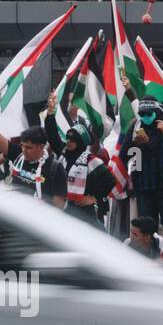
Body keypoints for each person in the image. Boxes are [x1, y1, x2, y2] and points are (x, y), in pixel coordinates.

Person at [0, 91, 65, 205]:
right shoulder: (18, 154)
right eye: (23, 146)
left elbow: (58, 207)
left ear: (41, 146)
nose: (24, 151)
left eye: (29, 148)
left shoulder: (55, 168)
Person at [44, 97, 116, 228]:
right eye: (68, 138)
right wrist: (50, 112)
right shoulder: (63, 152)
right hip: (63, 208)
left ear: (81, 142)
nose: (69, 142)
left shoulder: (91, 160)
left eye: (73, 139)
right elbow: (52, 134)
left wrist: (93, 198)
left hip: (83, 212)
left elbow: (110, 181)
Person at [124, 98, 163, 245]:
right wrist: (135, 145)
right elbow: (125, 155)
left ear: (156, 112)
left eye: (149, 113)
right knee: (146, 231)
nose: (146, 117)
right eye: (142, 114)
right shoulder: (135, 127)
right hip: (144, 187)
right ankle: (149, 262)